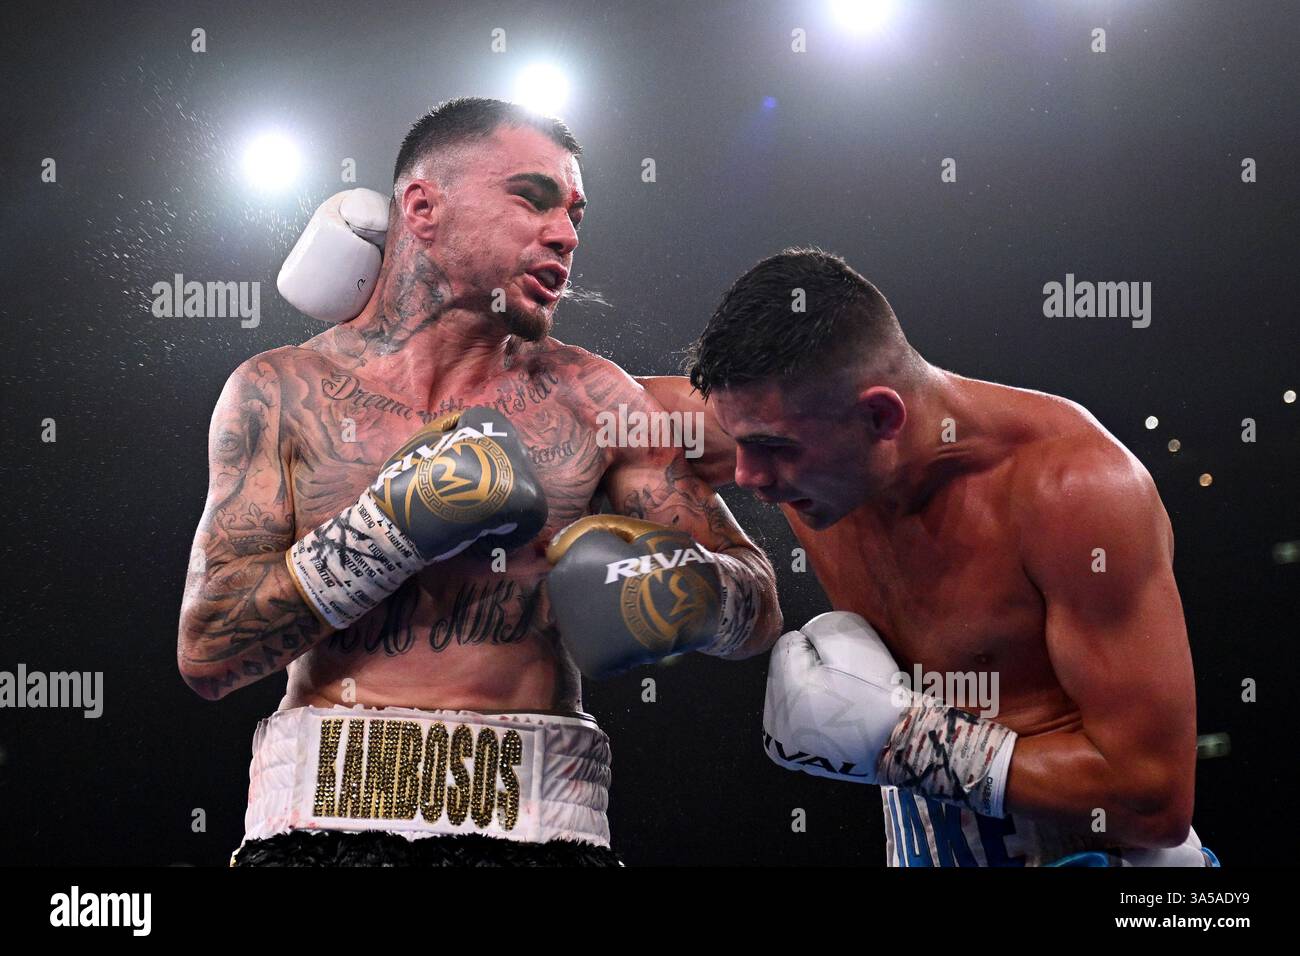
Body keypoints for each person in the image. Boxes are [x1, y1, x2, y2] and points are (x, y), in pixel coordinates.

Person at [176, 97, 782, 867]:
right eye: (531, 199)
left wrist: (694, 596)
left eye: (575, 213)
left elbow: (759, 603)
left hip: (537, 831)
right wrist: (392, 529)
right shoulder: (279, 392)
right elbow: (208, 654)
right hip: (318, 825)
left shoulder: (596, 401)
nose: (564, 232)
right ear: (422, 209)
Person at [681, 248, 1214, 866]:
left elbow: (1155, 799)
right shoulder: (788, 429)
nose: (747, 476)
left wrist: (905, 741)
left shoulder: (1072, 491)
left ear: (881, 415)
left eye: (770, 448)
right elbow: (597, 410)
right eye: (738, 440)